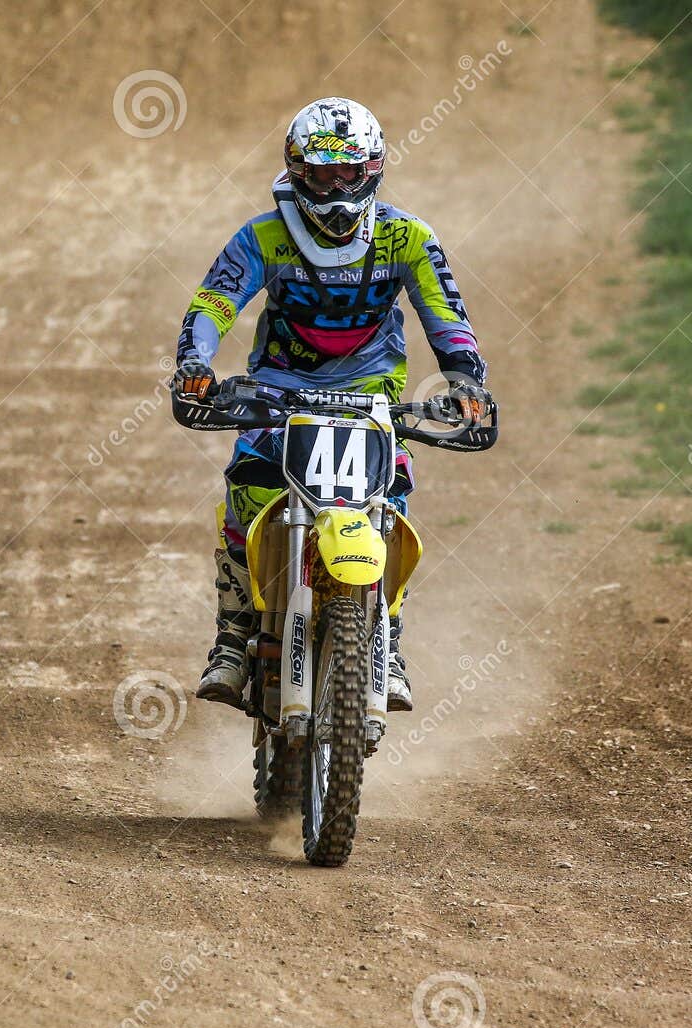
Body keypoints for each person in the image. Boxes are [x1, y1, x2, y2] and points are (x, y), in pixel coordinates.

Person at [172, 96, 490, 713]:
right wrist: (195, 362)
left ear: (372, 169)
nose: (334, 185)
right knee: (250, 481)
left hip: (370, 396)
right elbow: (215, 301)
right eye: (320, 172)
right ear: (296, 171)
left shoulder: (407, 236)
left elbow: (444, 311)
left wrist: (465, 380)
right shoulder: (262, 236)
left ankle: (387, 637)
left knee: (389, 495)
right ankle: (235, 635)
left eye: (347, 172)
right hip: (277, 389)